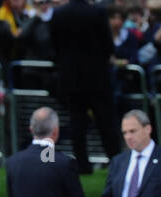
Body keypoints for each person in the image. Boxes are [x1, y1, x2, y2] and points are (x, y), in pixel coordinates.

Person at [49, 0, 120, 174]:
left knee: (77, 124)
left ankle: (82, 164)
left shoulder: (59, 13)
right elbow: (108, 45)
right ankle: (116, 161)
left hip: (71, 79)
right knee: (105, 122)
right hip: (97, 78)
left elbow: (54, 46)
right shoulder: (97, 12)